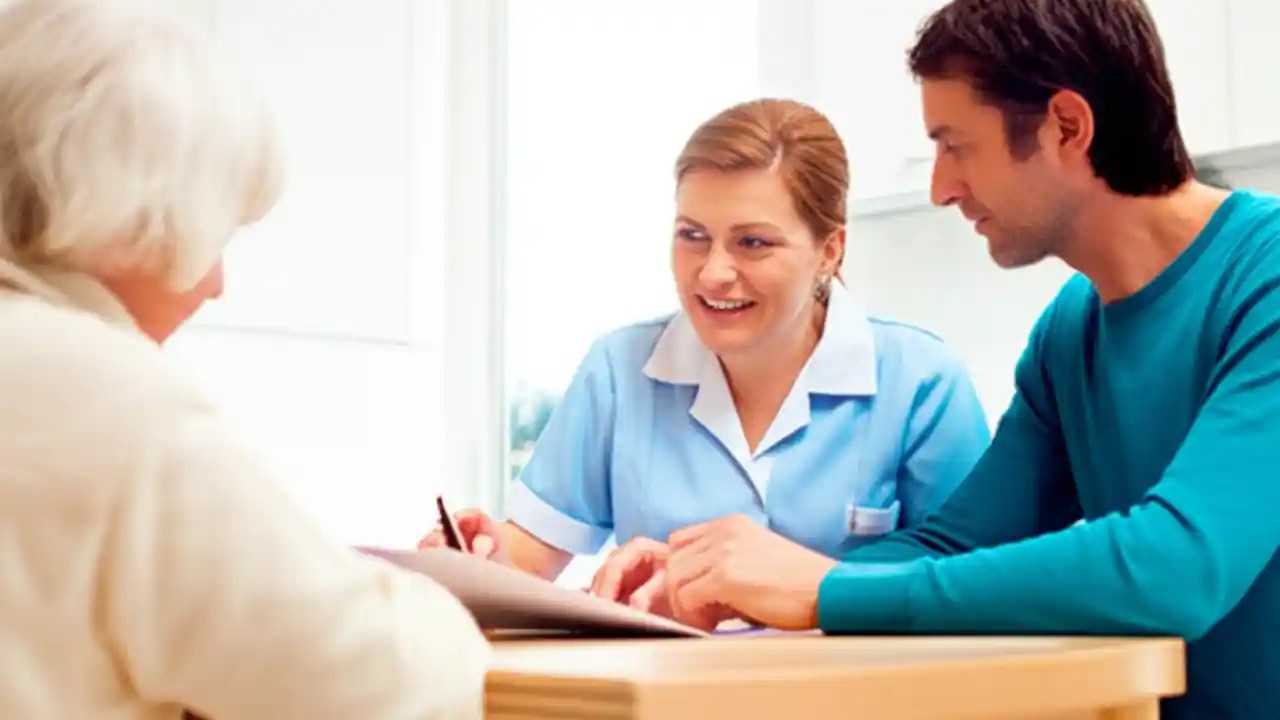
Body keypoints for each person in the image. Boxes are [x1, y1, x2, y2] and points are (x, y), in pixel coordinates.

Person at [654, 1, 1280, 717]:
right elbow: (957, 542)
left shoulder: (1265, 278)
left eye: (957, 146)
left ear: (1066, 127)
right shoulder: (1071, 330)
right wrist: (724, 581)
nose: (940, 187)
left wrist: (822, 590)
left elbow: (1177, 567)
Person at [0, 1, 486, 718]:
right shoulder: (102, 394)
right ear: (134, 214)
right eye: (213, 231)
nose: (217, 283)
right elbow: (365, 682)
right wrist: (443, 605)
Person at [422, 98, 991, 611]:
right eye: (692, 235)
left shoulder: (920, 383)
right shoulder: (621, 370)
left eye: (753, 243)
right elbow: (529, 558)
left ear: (829, 251)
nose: (714, 273)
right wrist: (476, 560)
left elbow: (969, 585)